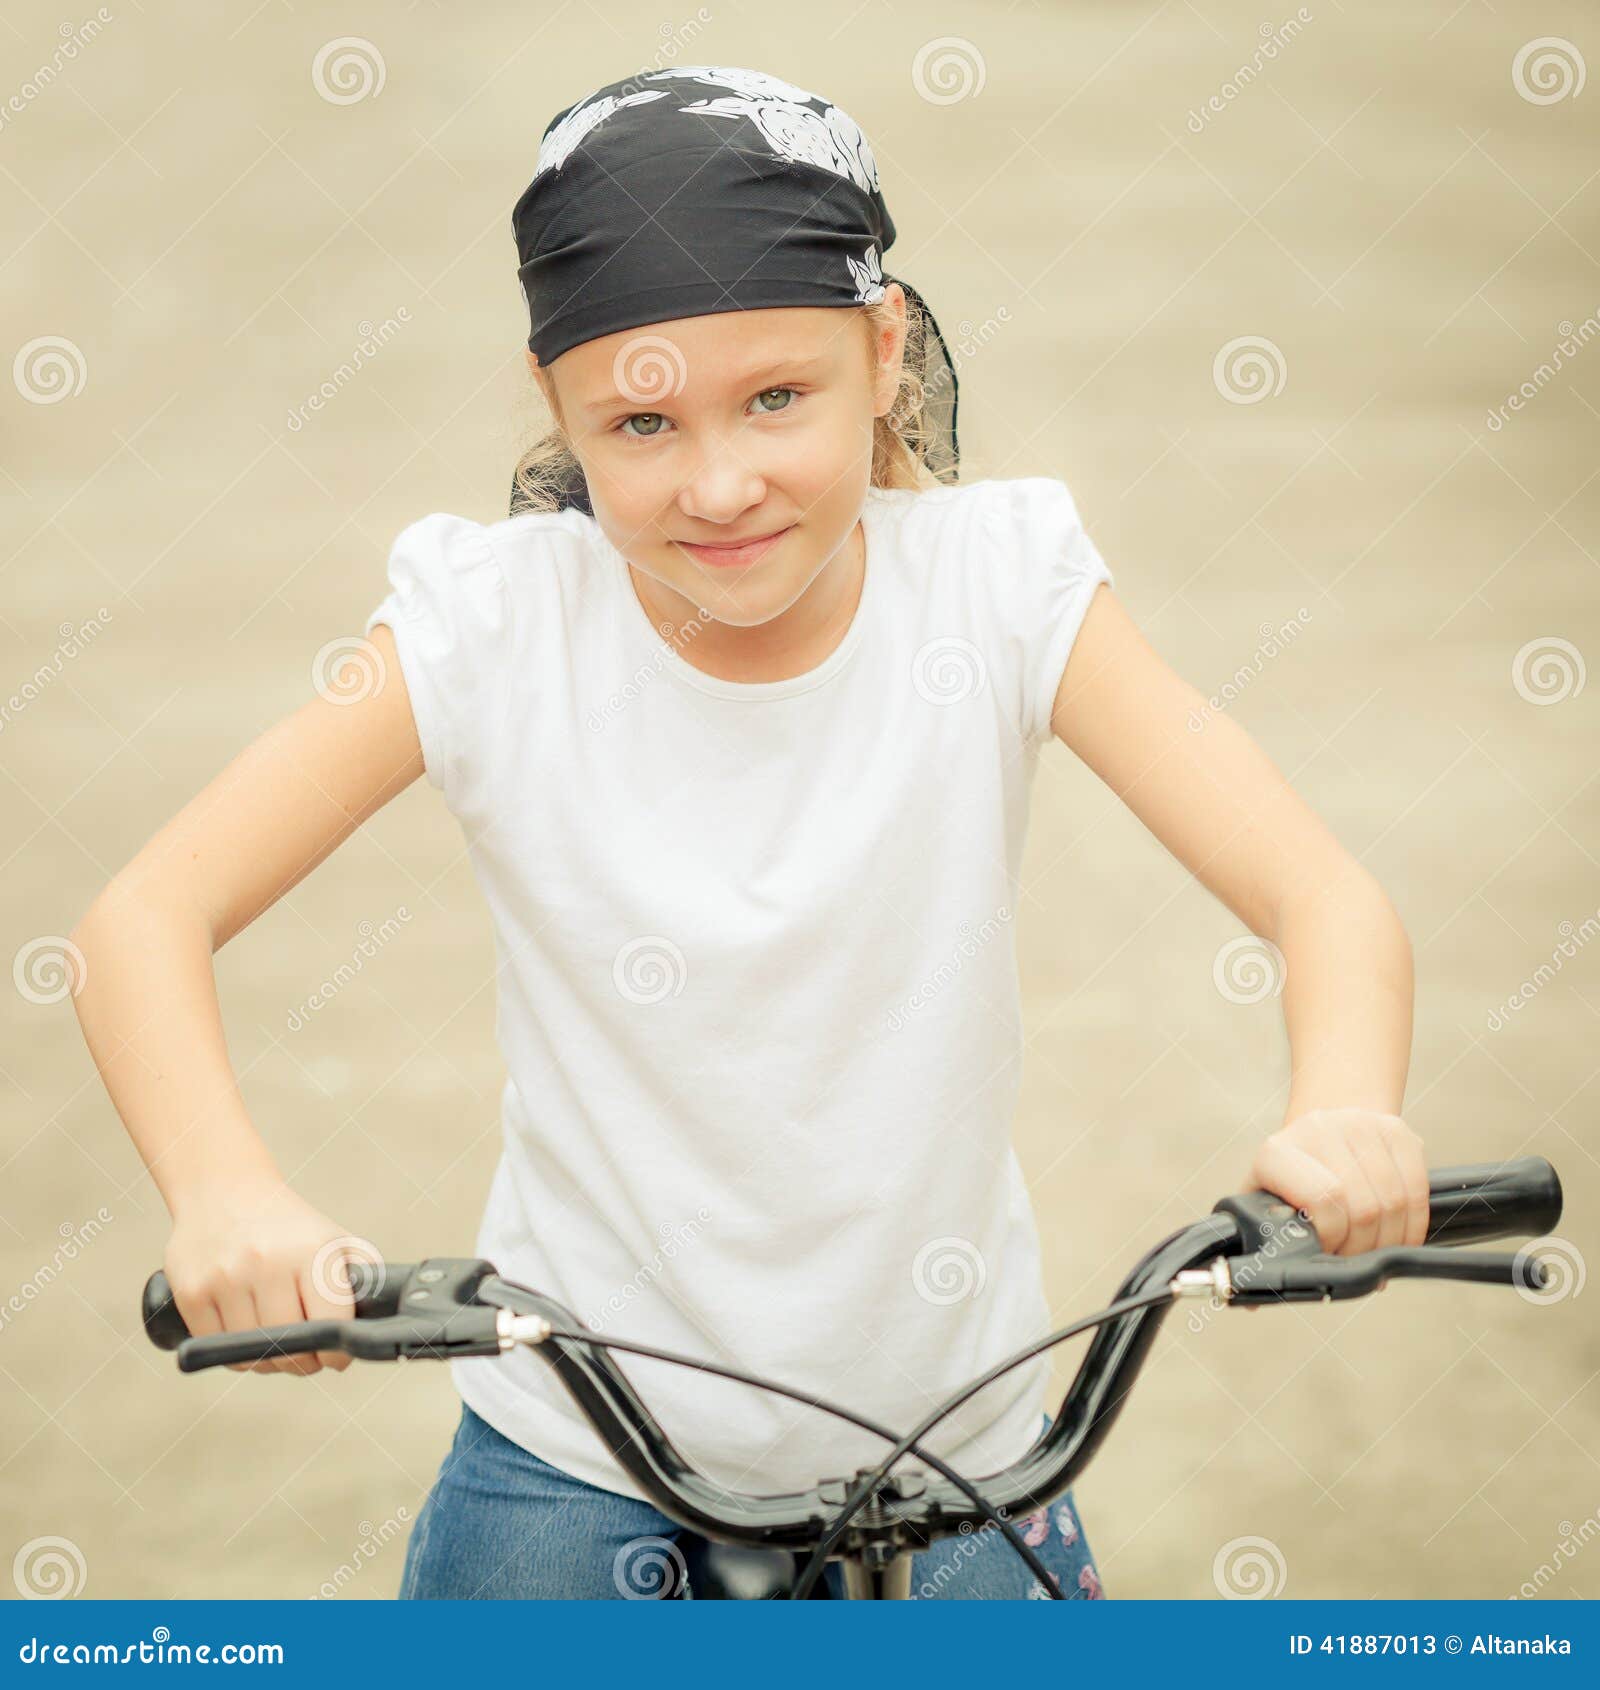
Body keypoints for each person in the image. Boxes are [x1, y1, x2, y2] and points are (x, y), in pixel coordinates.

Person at [68, 64, 1427, 1601]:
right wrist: (227, 1188)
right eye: (641, 421)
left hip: (963, 1445)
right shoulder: (495, 624)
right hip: (572, 1457)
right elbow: (141, 919)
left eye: (777, 398)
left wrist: (1344, 1106)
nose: (719, 484)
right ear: (557, 405)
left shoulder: (997, 582)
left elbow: (1320, 893)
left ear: (883, 350)